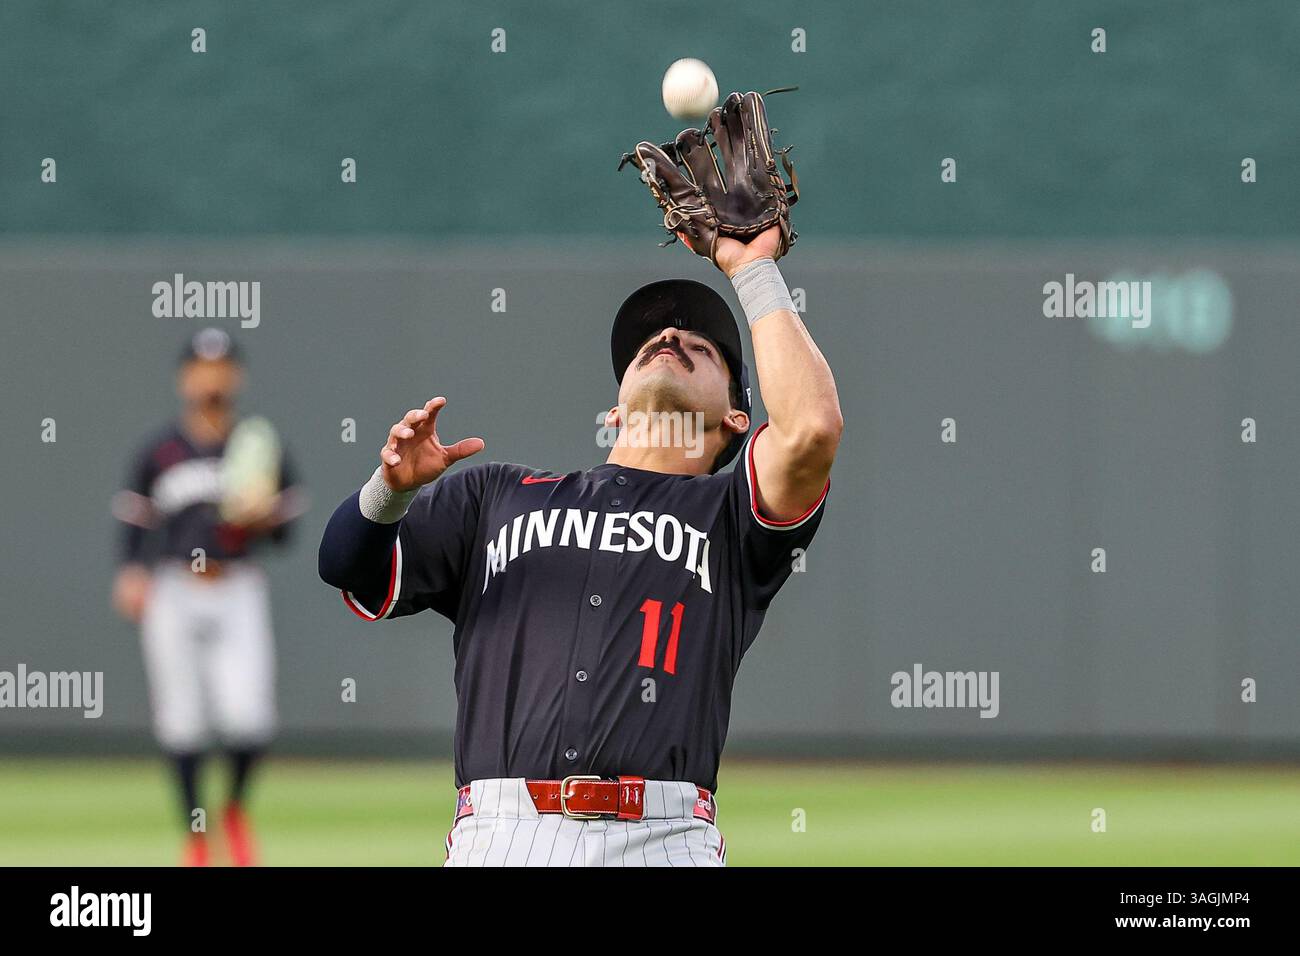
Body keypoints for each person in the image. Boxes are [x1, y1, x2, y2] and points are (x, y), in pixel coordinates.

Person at [318, 225, 841, 865]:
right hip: (502, 835)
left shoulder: (732, 517)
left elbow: (811, 428)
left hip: (664, 838)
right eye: (652, 342)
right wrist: (388, 491)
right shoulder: (495, 496)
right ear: (616, 410)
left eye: (701, 347)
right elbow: (345, 566)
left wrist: (752, 267)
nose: (671, 338)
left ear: (737, 418)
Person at [111, 327, 304, 866]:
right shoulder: (160, 450)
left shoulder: (259, 445)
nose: (211, 377)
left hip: (238, 585)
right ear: (185, 377)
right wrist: (131, 570)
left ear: (236, 376)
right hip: (175, 590)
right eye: (201, 367)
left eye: (221, 367)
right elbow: (135, 520)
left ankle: (235, 810)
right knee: (181, 720)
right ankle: (197, 836)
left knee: (249, 718)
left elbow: (286, 533)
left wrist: (262, 517)